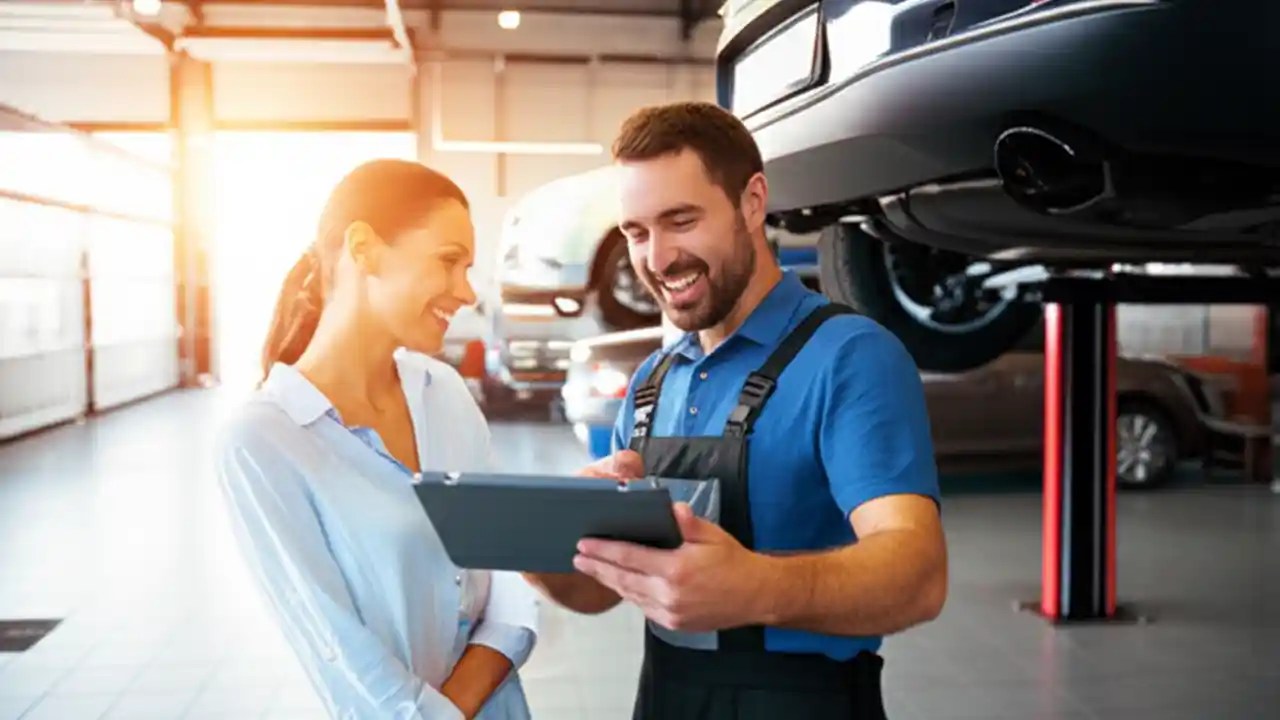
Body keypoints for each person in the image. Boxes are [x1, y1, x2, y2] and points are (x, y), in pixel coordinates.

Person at [524, 102, 948, 719]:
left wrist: (754, 587)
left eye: (681, 221)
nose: (659, 258)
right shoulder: (651, 382)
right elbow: (599, 594)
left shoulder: (850, 358)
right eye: (637, 233)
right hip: (666, 699)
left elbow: (919, 574)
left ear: (752, 202)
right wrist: (545, 550)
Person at [214, 159, 538, 720]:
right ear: (363, 248)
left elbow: (508, 581)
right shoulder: (263, 440)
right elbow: (340, 653)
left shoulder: (446, 394)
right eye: (449, 262)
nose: (466, 291)